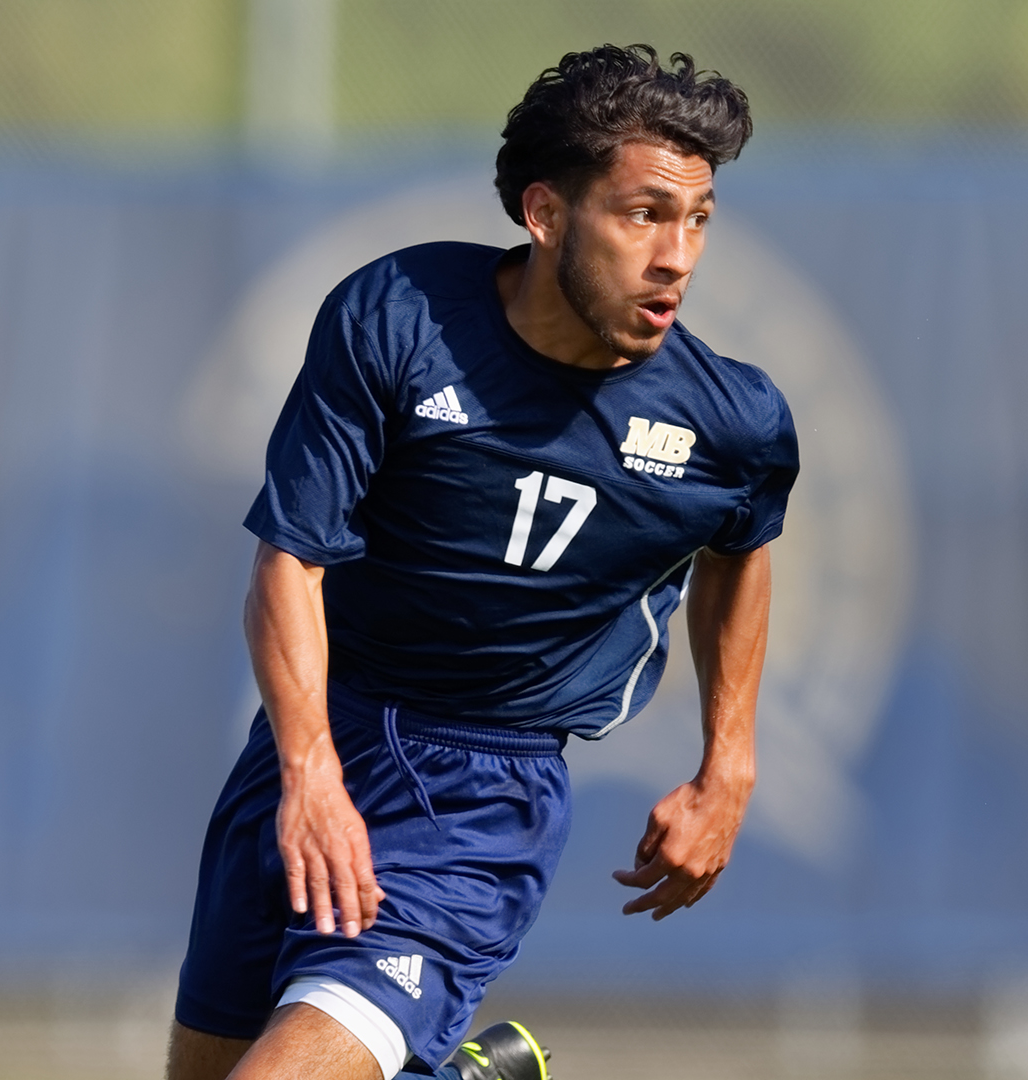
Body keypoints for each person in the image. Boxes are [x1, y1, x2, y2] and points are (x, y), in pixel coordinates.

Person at [168, 43, 798, 1080]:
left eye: (696, 221)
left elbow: (741, 550)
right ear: (545, 213)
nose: (677, 255)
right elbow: (290, 562)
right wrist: (311, 773)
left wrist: (727, 762)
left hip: (477, 798)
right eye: (643, 214)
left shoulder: (730, 420)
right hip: (318, 742)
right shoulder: (398, 318)